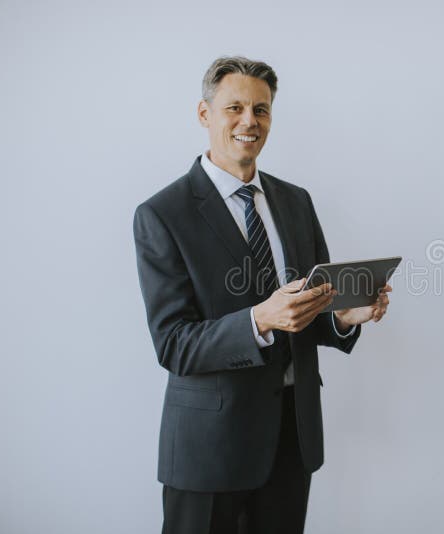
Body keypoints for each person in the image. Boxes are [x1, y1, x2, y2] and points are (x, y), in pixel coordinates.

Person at [133, 56, 391, 534]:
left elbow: (309, 310)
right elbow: (173, 343)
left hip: (292, 440)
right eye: (235, 107)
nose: (249, 121)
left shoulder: (296, 201)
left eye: (262, 109)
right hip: (209, 451)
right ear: (205, 114)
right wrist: (259, 320)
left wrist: (344, 316)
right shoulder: (161, 214)